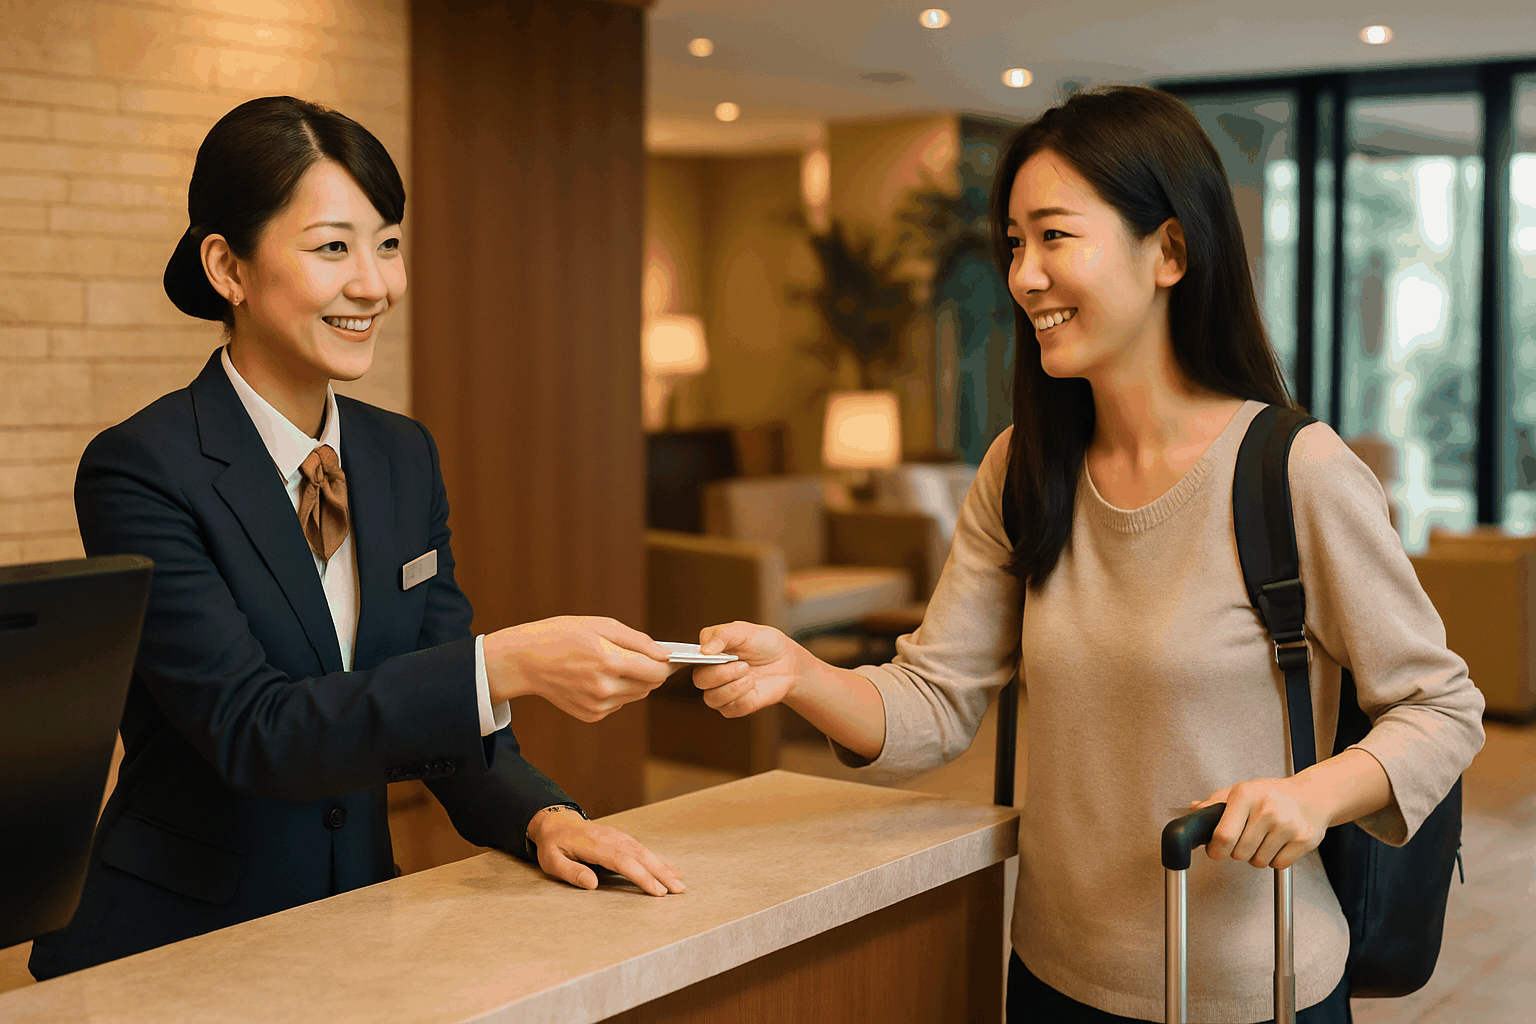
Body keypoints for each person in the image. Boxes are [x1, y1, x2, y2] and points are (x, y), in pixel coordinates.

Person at [689, 86, 1484, 1024]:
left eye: (1055, 237)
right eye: (1013, 243)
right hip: (1051, 977)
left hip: (1247, 990)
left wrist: (1314, 796)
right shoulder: (1023, 467)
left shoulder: (1296, 470)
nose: (1023, 276)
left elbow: (1440, 707)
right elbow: (936, 701)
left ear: (1170, 251)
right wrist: (800, 673)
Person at [29, 96, 684, 981]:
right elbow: (253, 729)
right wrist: (503, 664)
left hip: (356, 922)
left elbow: (436, 704)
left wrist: (544, 818)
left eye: (388, 243)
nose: (375, 285)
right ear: (227, 266)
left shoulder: (402, 455)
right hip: (174, 945)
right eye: (333, 248)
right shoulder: (142, 468)